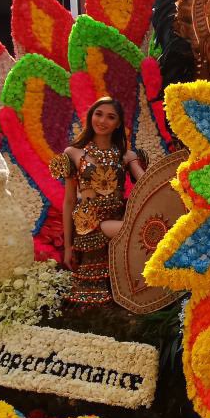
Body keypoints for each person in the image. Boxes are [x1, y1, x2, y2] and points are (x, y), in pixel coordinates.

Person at [50, 98, 143, 307]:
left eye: (111, 117)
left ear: (118, 124)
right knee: (136, 232)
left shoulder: (126, 155)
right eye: (98, 114)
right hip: (90, 226)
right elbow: (69, 201)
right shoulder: (73, 153)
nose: (102, 121)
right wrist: (68, 246)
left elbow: (147, 181)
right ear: (91, 116)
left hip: (119, 219)